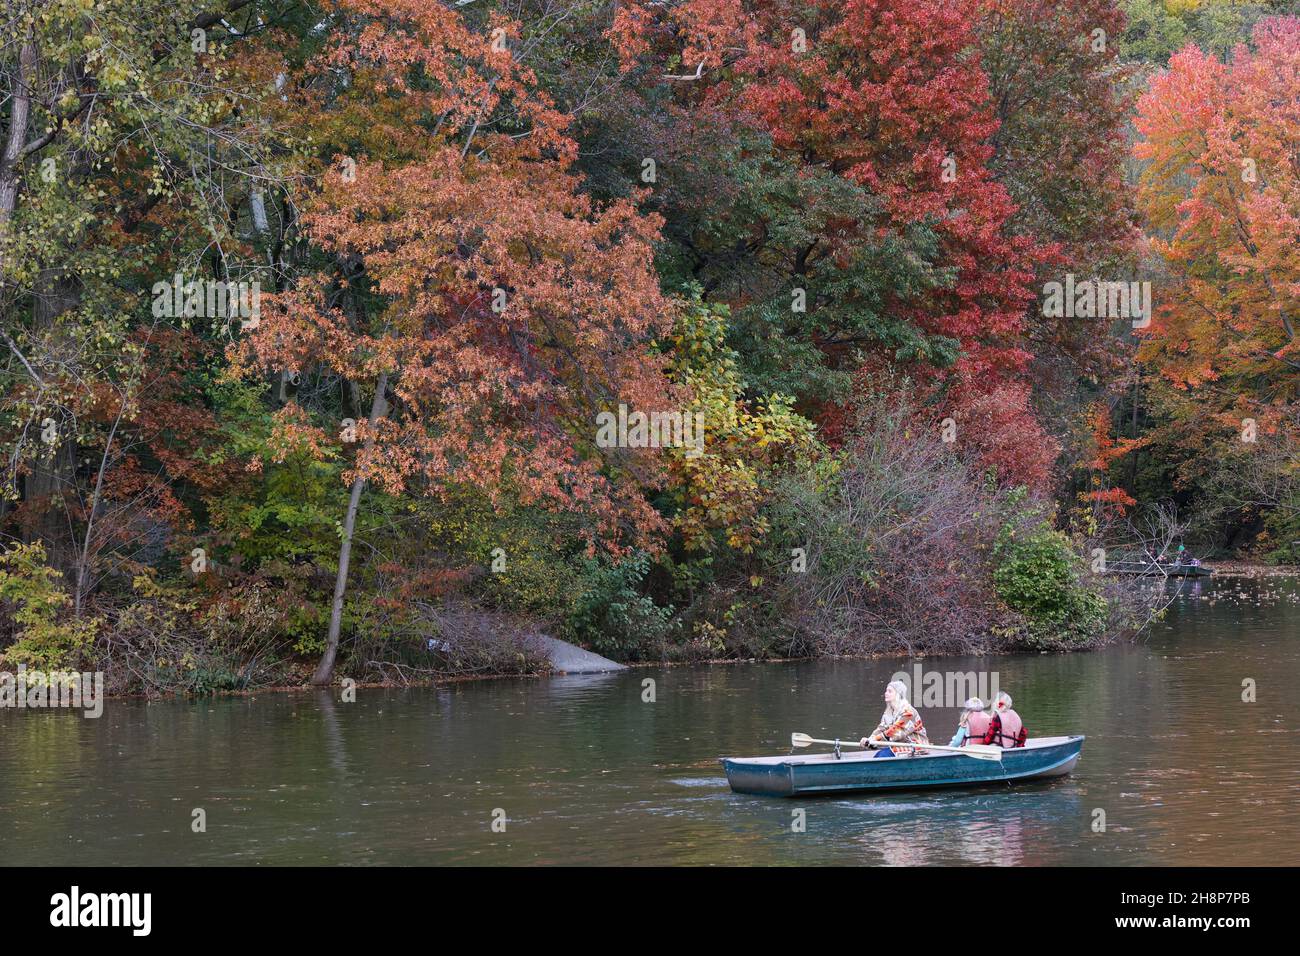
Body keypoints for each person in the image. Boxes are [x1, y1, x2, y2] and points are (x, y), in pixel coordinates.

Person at [859, 680, 929, 757]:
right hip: (899, 744)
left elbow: (895, 732)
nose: (886, 693)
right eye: (886, 691)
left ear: (898, 694)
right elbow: (881, 729)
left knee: (882, 756)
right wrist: (869, 740)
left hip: (916, 745)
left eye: (890, 691)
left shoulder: (908, 712)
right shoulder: (888, 713)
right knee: (879, 756)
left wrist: (874, 740)